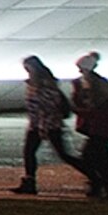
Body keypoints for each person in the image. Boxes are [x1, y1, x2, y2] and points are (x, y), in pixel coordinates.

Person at [14, 54, 79, 193]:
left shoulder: (45, 85)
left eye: (28, 68)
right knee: (29, 152)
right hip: (36, 124)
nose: (26, 71)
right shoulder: (33, 84)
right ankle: (29, 181)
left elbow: (48, 108)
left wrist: (42, 127)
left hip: (49, 124)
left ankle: (94, 175)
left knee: (62, 154)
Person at [71, 49, 108, 201]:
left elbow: (94, 108)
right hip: (101, 127)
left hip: (100, 127)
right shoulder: (97, 83)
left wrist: (77, 108)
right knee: (100, 160)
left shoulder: (93, 85)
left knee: (95, 159)